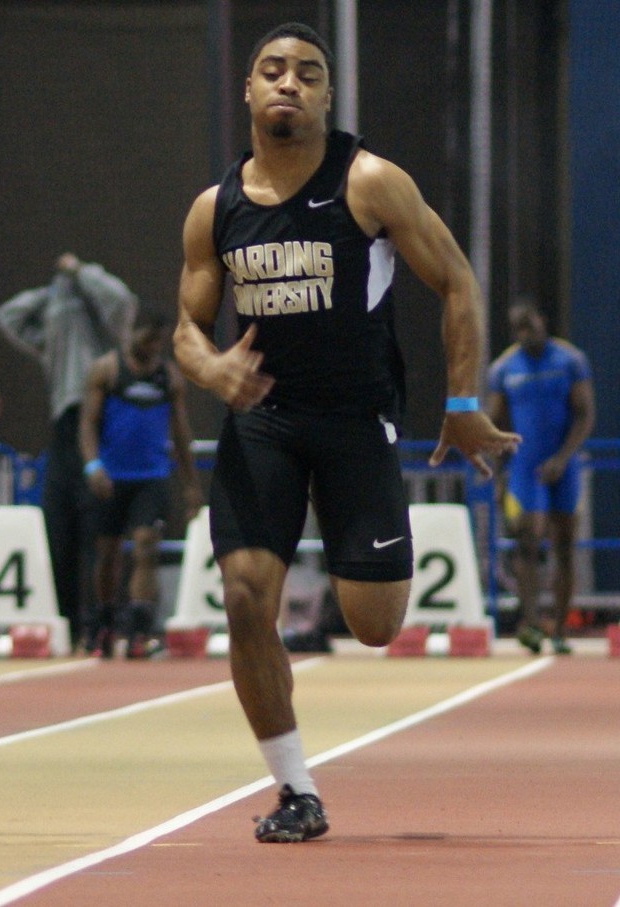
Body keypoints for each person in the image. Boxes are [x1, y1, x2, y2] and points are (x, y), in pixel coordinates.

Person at [173, 22, 519, 843]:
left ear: (327, 96)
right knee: (246, 598)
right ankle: (296, 790)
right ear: (250, 92)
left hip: (356, 422)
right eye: (273, 71)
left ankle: (355, 574)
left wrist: (462, 401)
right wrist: (213, 367)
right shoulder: (213, 211)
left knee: (374, 624)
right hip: (262, 423)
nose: (288, 84)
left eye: (307, 74)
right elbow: (184, 328)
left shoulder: (369, 184)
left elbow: (457, 280)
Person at [0, 252, 137, 651]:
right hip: (63, 427)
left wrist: (82, 273)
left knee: (100, 531)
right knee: (58, 529)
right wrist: (52, 293)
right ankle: (70, 626)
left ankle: (103, 623)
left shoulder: (107, 324)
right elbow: (8, 316)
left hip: (99, 422)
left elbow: (123, 302)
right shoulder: (52, 332)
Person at [79, 309, 201, 659]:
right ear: (131, 333)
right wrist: (92, 465)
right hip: (111, 478)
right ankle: (103, 622)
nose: (150, 347)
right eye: (145, 339)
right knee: (107, 554)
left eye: (156, 342)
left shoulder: (168, 377)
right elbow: (87, 424)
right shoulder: (107, 370)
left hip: (151, 478)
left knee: (146, 547)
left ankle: (139, 628)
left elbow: (180, 433)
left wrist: (190, 484)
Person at [485, 301, 594, 656]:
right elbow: (495, 421)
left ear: (542, 321)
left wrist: (563, 458)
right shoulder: (503, 368)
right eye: (518, 329)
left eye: (530, 325)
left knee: (564, 544)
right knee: (526, 541)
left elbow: (585, 414)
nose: (525, 334)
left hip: (563, 465)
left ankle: (560, 628)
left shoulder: (570, 360)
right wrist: (499, 473)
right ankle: (530, 623)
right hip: (524, 468)